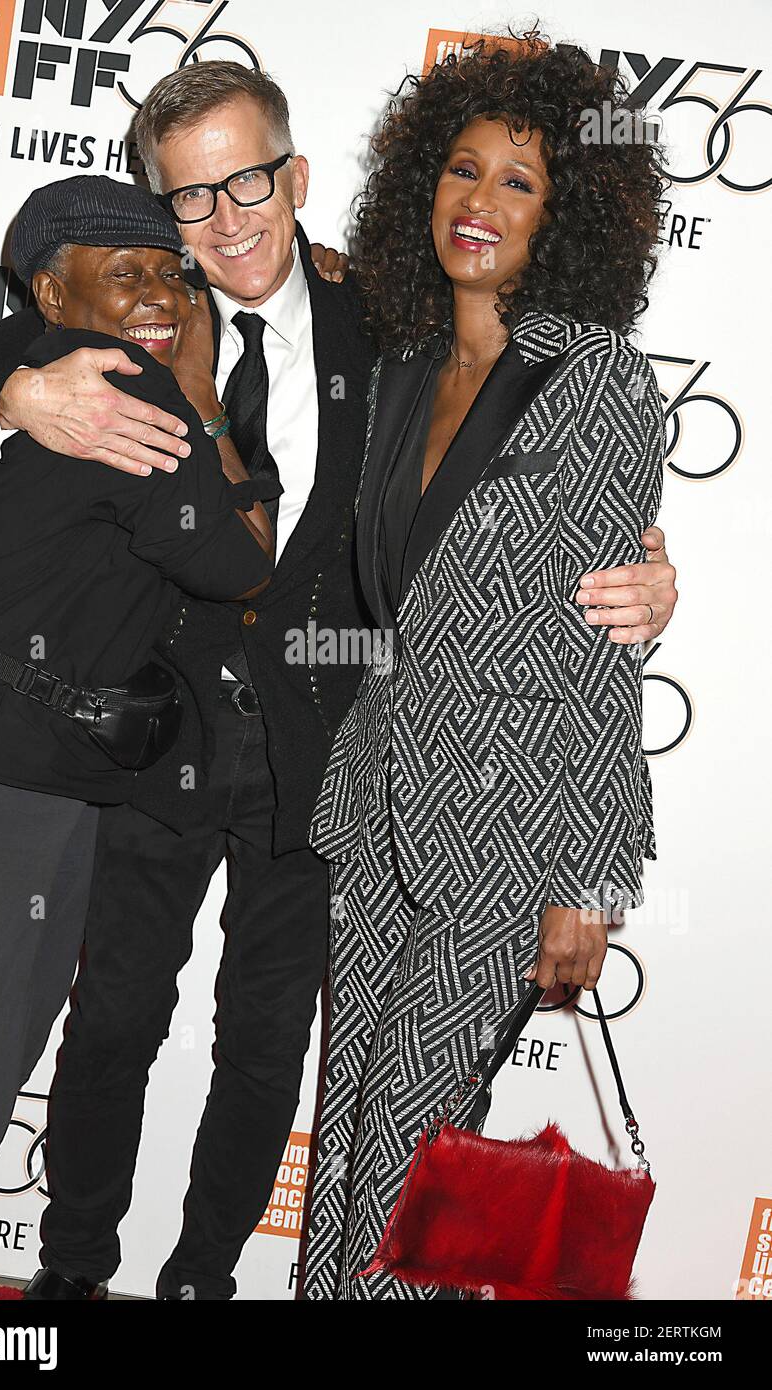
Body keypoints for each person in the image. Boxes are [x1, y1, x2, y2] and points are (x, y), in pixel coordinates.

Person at [0, 62, 678, 1303]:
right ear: (160, 212)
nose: (225, 220)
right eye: (191, 199)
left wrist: (645, 577)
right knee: (110, 1031)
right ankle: (69, 1278)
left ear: (295, 179)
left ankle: (204, 1281)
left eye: (247, 182)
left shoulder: (394, 324)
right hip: (156, 742)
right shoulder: (131, 319)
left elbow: (513, 514)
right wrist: (11, 387)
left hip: (329, 759)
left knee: (268, 1050)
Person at [303, 36, 670, 1300]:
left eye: (520, 180)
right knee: (349, 1123)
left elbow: (600, 650)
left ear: (566, 212)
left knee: (412, 1161)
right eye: (463, 170)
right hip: (375, 809)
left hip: (508, 837)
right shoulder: (393, 368)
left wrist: (587, 877)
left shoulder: (599, 383)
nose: (480, 201)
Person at [0, 173, 275, 1260]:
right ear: (48, 289)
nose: (161, 290)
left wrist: (8, 388)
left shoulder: (24, 372)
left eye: (170, 269)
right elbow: (237, 562)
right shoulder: (134, 395)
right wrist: (204, 400)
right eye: (126, 273)